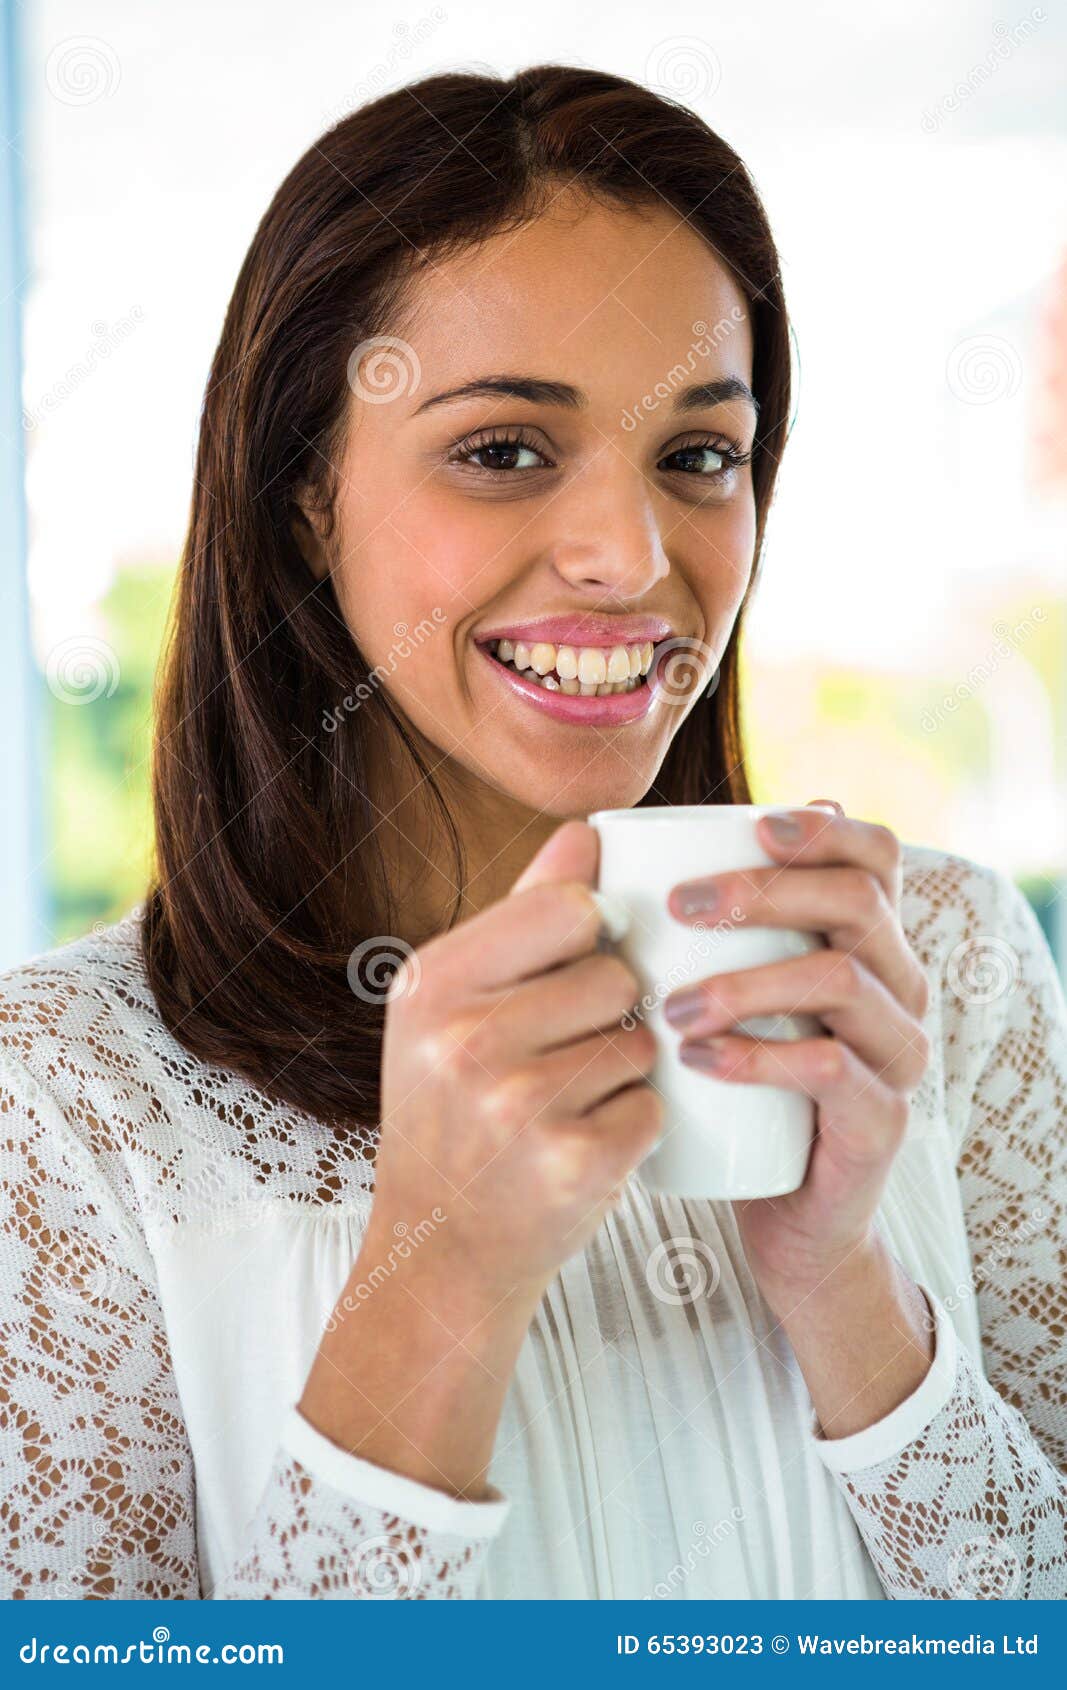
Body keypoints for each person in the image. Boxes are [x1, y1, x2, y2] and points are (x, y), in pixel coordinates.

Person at [1, 64, 1064, 1601]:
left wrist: (849, 1288)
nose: (630, 558)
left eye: (698, 454)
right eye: (503, 448)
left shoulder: (945, 965)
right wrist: (439, 1281)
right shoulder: (65, 1104)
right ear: (308, 492)